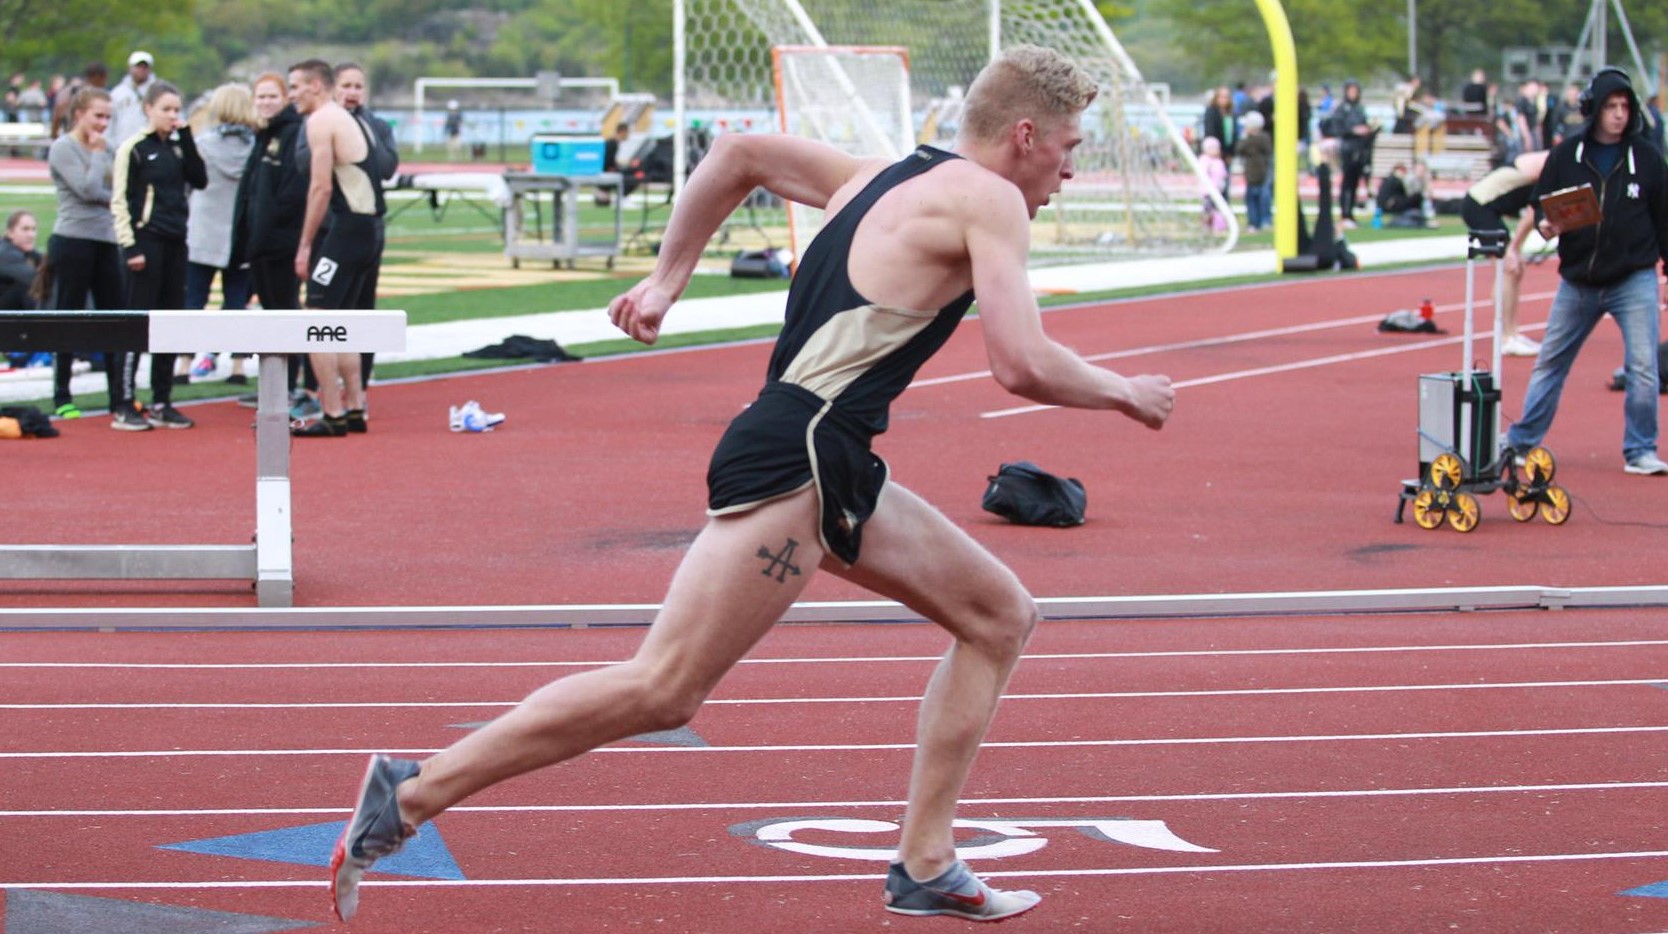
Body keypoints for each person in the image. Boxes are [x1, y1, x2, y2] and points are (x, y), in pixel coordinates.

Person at [326, 44, 1175, 926]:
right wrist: (1127, 392)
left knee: (998, 616)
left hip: (828, 454)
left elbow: (737, 157)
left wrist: (667, 281)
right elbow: (1020, 362)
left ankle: (925, 862)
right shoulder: (990, 200)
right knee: (665, 687)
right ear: (1025, 134)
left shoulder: (872, 177)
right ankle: (413, 791)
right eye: (1069, 147)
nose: (1071, 171)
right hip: (799, 457)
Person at [1504, 68, 1668, 476]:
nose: (1618, 115)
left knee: (1643, 367)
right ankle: (1521, 442)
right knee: (1550, 362)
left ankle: (1641, 450)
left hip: (1634, 278)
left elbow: (1664, 218)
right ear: (1593, 109)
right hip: (1578, 280)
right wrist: (1545, 225)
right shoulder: (1566, 155)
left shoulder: (1647, 158)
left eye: (1625, 107)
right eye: (1611, 106)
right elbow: (1541, 204)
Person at [290, 59, 383, 436]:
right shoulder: (351, 119)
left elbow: (320, 188)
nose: (291, 95)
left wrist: (305, 244)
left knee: (316, 318)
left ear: (315, 85)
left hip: (348, 229)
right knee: (341, 320)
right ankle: (355, 407)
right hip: (370, 229)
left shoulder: (322, 120)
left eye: (294, 87)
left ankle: (331, 413)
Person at [112, 80, 207, 429]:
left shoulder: (179, 149)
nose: (171, 116)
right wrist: (130, 246)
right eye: (165, 109)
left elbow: (200, 180)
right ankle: (123, 402)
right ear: (148, 109)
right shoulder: (134, 148)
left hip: (175, 242)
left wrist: (188, 139)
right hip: (146, 242)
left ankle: (162, 400)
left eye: (175, 110)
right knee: (137, 323)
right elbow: (120, 199)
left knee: (171, 323)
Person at [45, 87, 139, 426]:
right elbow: (87, 190)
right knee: (68, 317)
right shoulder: (63, 148)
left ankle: (119, 397)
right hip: (72, 240)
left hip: (105, 240)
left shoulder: (110, 148)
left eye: (107, 118)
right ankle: (62, 395)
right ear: (79, 113)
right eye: (98, 116)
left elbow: (122, 191)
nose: (103, 124)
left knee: (114, 317)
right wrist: (98, 155)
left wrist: (109, 185)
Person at [231, 72, 309, 399]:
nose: (265, 102)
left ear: (285, 99)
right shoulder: (264, 134)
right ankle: (276, 386)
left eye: (271, 96)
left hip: (280, 244)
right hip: (259, 244)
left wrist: (272, 234)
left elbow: (292, 192)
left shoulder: (291, 133)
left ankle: (291, 387)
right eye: (260, 97)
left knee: (284, 313)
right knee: (271, 313)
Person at [182, 83, 259, 384]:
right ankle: (238, 365)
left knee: (194, 300)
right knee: (236, 301)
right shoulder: (255, 149)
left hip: (202, 230)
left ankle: (183, 363)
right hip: (240, 233)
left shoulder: (202, 144)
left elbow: (188, 184)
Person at [333, 62, 398, 400]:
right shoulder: (321, 125)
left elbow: (387, 168)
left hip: (369, 228)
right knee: (330, 306)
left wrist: (365, 131)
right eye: (345, 85)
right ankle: (320, 384)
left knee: (363, 305)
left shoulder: (377, 126)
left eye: (358, 86)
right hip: (333, 229)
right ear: (333, 88)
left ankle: (360, 382)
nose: (352, 93)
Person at [1460, 149, 1549, 356]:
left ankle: (1512, 333)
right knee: (1508, 269)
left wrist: (1515, 249)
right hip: (1479, 206)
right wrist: (1513, 248)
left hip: (1488, 208)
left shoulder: (1555, 162)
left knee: (1515, 269)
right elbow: (1532, 212)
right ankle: (1505, 337)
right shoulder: (1551, 163)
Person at [1323, 79, 1374, 229]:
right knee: (1347, 182)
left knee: (1355, 182)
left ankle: (1350, 213)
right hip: (1348, 148)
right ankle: (1345, 213)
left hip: (1360, 148)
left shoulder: (1359, 109)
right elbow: (1337, 128)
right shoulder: (1341, 110)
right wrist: (1353, 130)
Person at [105, 51, 156, 148]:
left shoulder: (157, 92)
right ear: (129, 68)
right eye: (138, 66)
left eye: (145, 67)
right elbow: (110, 121)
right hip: (122, 145)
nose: (141, 70)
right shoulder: (118, 93)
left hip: (150, 145)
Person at [1237, 110, 1272, 232]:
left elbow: (1240, 148)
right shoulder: (1265, 138)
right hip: (1253, 174)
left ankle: (1258, 222)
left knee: (1258, 199)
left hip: (1257, 173)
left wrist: (1245, 137)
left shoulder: (1255, 139)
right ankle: (1259, 221)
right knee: (1256, 198)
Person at [0, 210, 41, 311]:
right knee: (26, 289)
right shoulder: (5, 253)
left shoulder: (27, 253)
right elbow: (35, 279)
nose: (31, 235)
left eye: (33, 229)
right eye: (25, 229)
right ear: (10, 233)